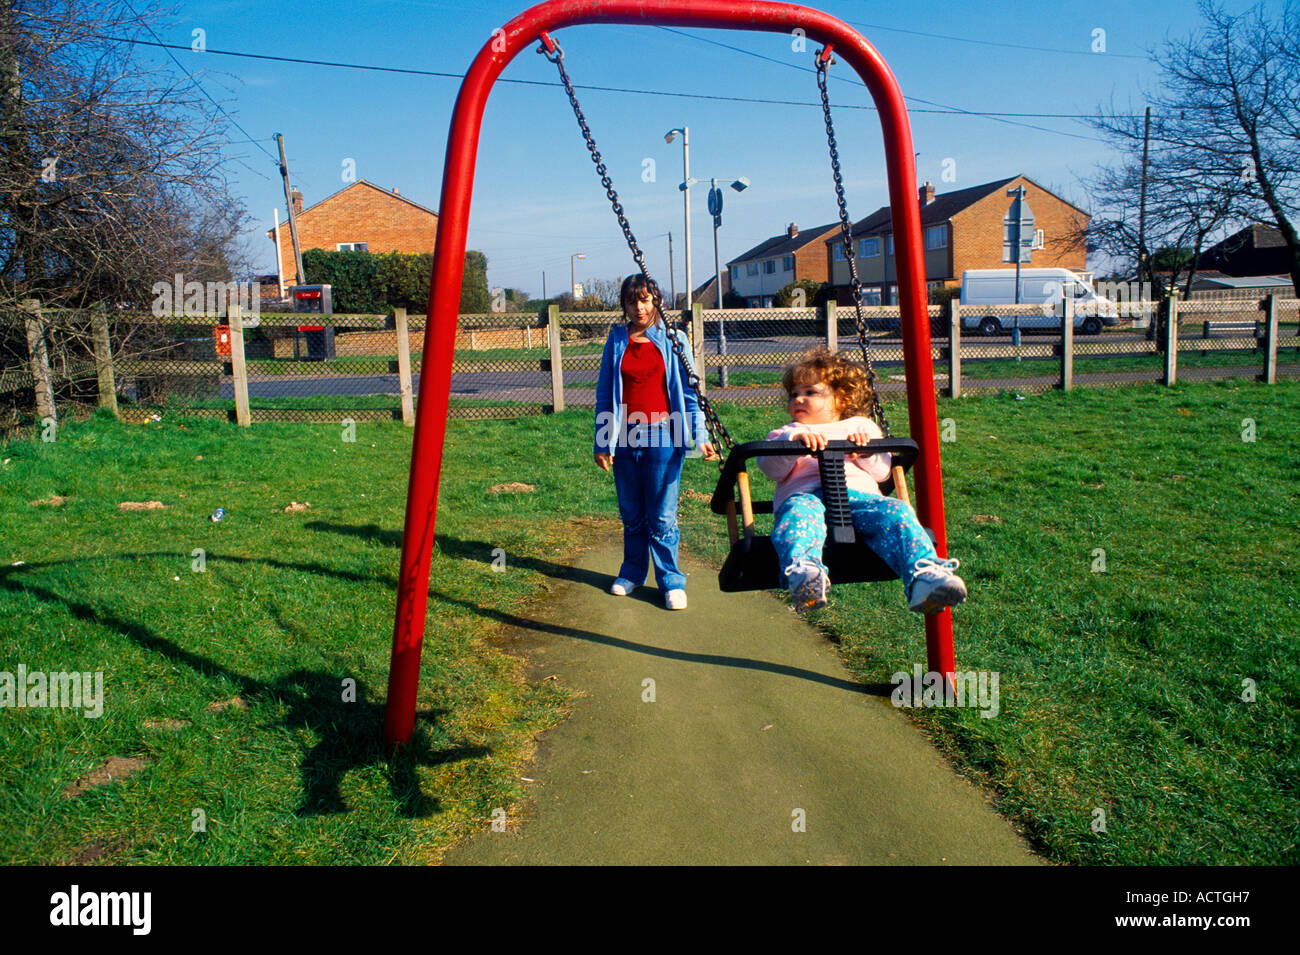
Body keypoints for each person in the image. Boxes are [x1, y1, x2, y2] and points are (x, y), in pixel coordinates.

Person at [756, 347, 966, 615]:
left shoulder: (861, 427)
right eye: (795, 394)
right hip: (805, 497)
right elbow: (771, 469)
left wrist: (866, 453)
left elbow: (882, 473)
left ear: (841, 399)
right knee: (797, 516)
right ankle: (804, 572)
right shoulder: (788, 432)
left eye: (810, 392)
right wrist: (794, 444)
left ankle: (925, 575)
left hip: (860, 498)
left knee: (897, 510)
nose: (798, 399)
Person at [593, 274, 715, 610]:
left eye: (645, 300)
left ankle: (671, 581)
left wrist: (699, 436)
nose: (639, 308)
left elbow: (690, 393)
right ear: (625, 305)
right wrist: (602, 441)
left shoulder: (673, 339)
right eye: (632, 301)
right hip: (624, 434)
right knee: (631, 513)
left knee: (661, 515)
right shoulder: (617, 340)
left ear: (656, 300)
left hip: (664, 431)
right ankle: (632, 572)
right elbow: (605, 394)